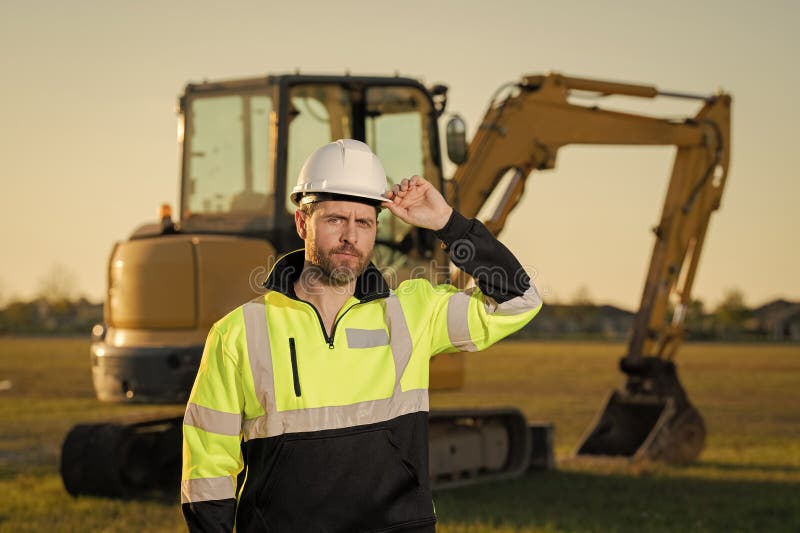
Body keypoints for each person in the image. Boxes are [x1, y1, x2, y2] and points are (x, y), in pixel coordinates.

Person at [181, 139, 542, 532]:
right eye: (336, 219)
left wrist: (448, 224)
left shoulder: (413, 312)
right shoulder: (238, 333)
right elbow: (207, 473)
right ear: (303, 222)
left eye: (364, 222)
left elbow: (519, 300)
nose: (351, 236)